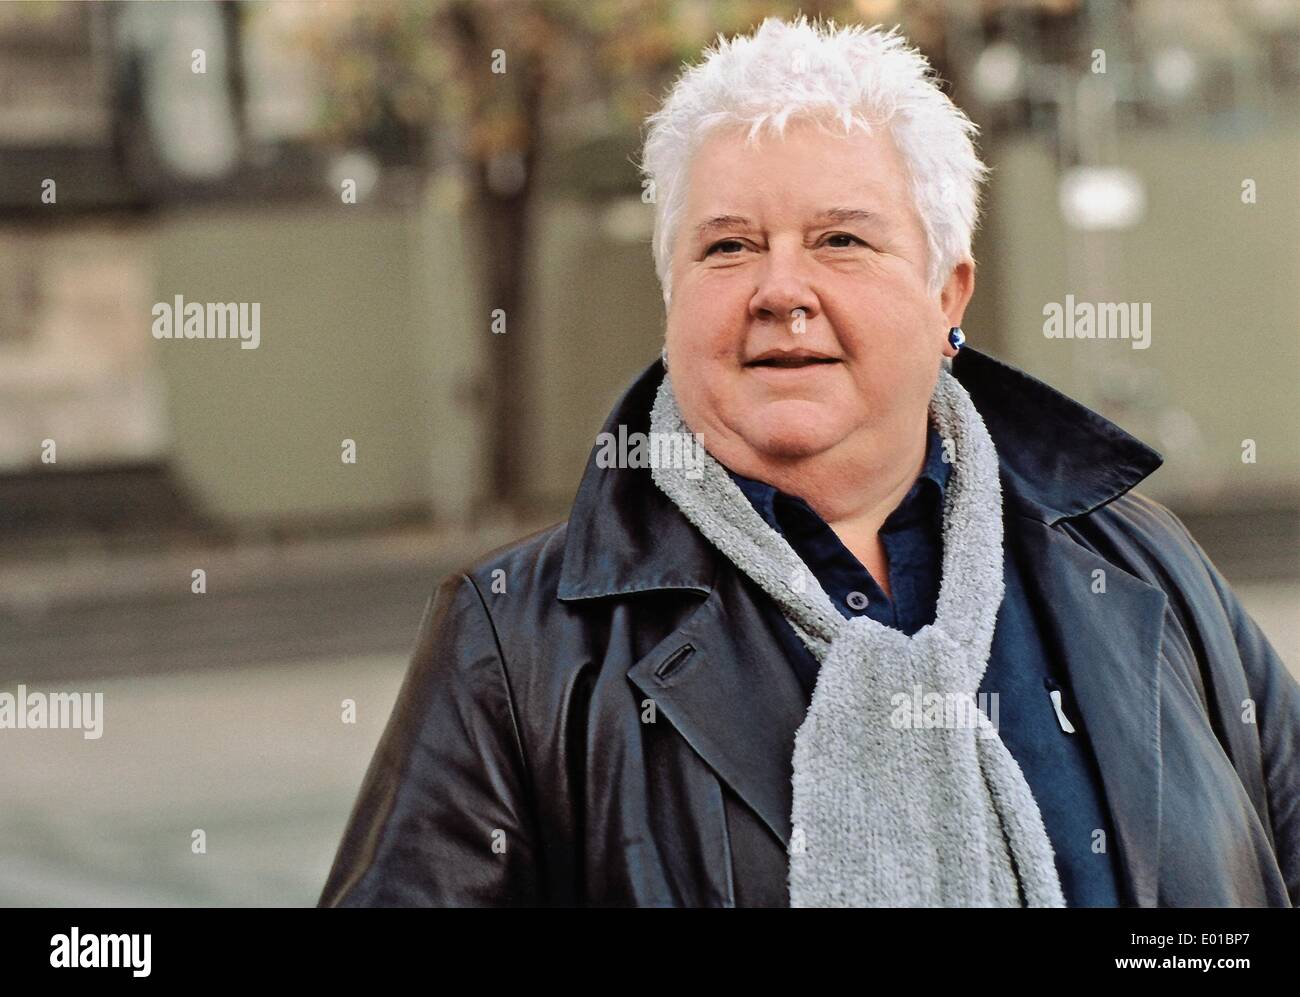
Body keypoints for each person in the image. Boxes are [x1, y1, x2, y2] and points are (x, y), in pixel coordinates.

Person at [319, 15, 1298, 907]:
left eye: (839, 239)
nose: (780, 288)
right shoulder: (517, 645)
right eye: (729, 248)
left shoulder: (1142, 570)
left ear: (947, 294)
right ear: (673, 297)